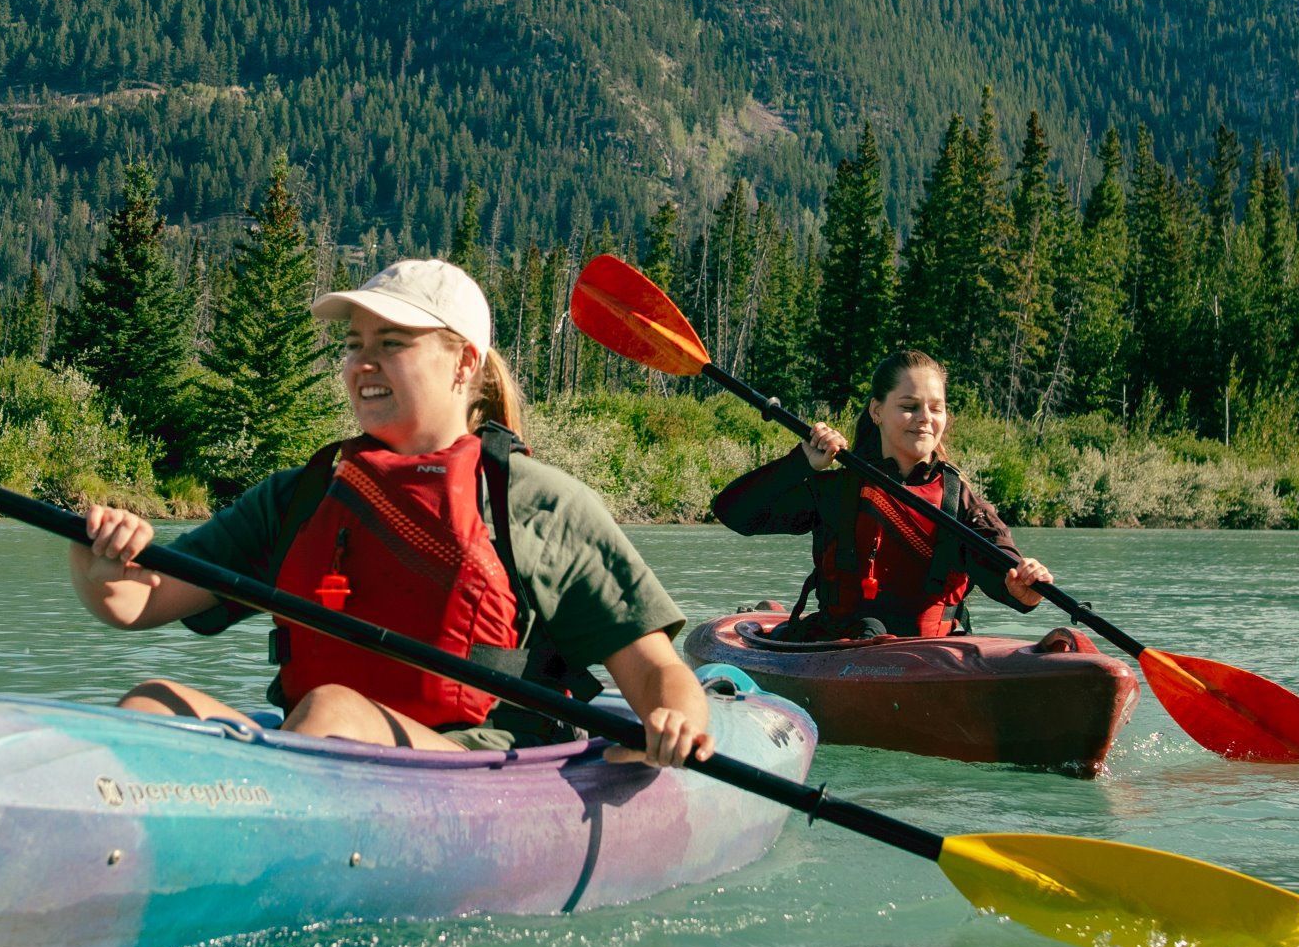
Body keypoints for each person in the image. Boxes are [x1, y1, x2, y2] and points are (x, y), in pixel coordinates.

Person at [67, 257, 716, 765]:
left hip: (475, 764)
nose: (362, 362)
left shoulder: (538, 503)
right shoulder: (299, 497)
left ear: (464, 360)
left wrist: (674, 722)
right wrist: (101, 556)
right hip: (315, 747)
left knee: (332, 713)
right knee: (152, 703)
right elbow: (135, 600)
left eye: (392, 341)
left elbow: (656, 670)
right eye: (353, 343)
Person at [709, 348, 1056, 642]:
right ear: (877, 411)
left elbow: (1002, 567)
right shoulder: (838, 490)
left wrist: (1022, 588)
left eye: (936, 408)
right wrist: (801, 463)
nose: (925, 419)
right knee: (869, 629)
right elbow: (734, 512)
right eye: (910, 406)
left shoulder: (959, 500)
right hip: (841, 649)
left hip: (932, 657)